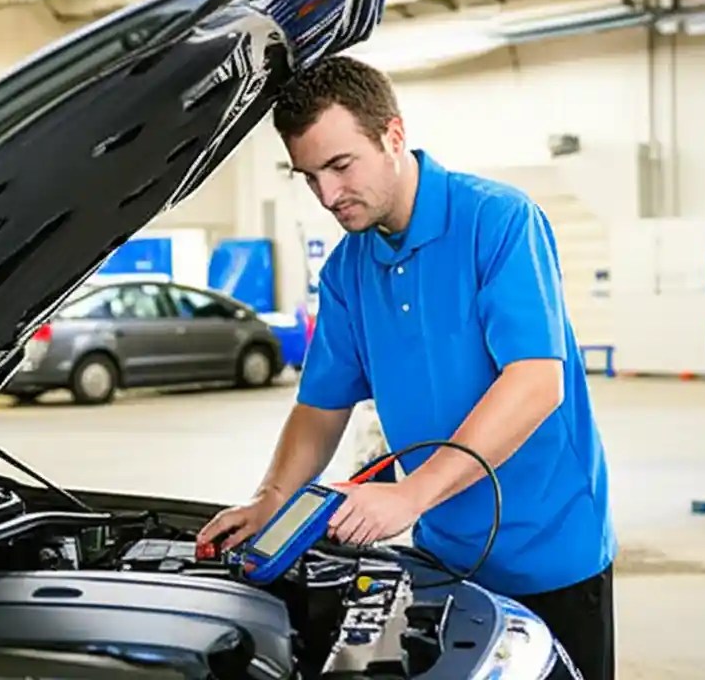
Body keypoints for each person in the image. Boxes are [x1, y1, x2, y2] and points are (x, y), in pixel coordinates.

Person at [198, 55, 616, 678]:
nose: (328, 195)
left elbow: (535, 382)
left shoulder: (497, 221)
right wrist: (272, 501)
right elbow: (321, 405)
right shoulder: (346, 269)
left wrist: (410, 495)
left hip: (548, 551)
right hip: (443, 558)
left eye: (340, 166)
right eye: (309, 176)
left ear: (393, 136)